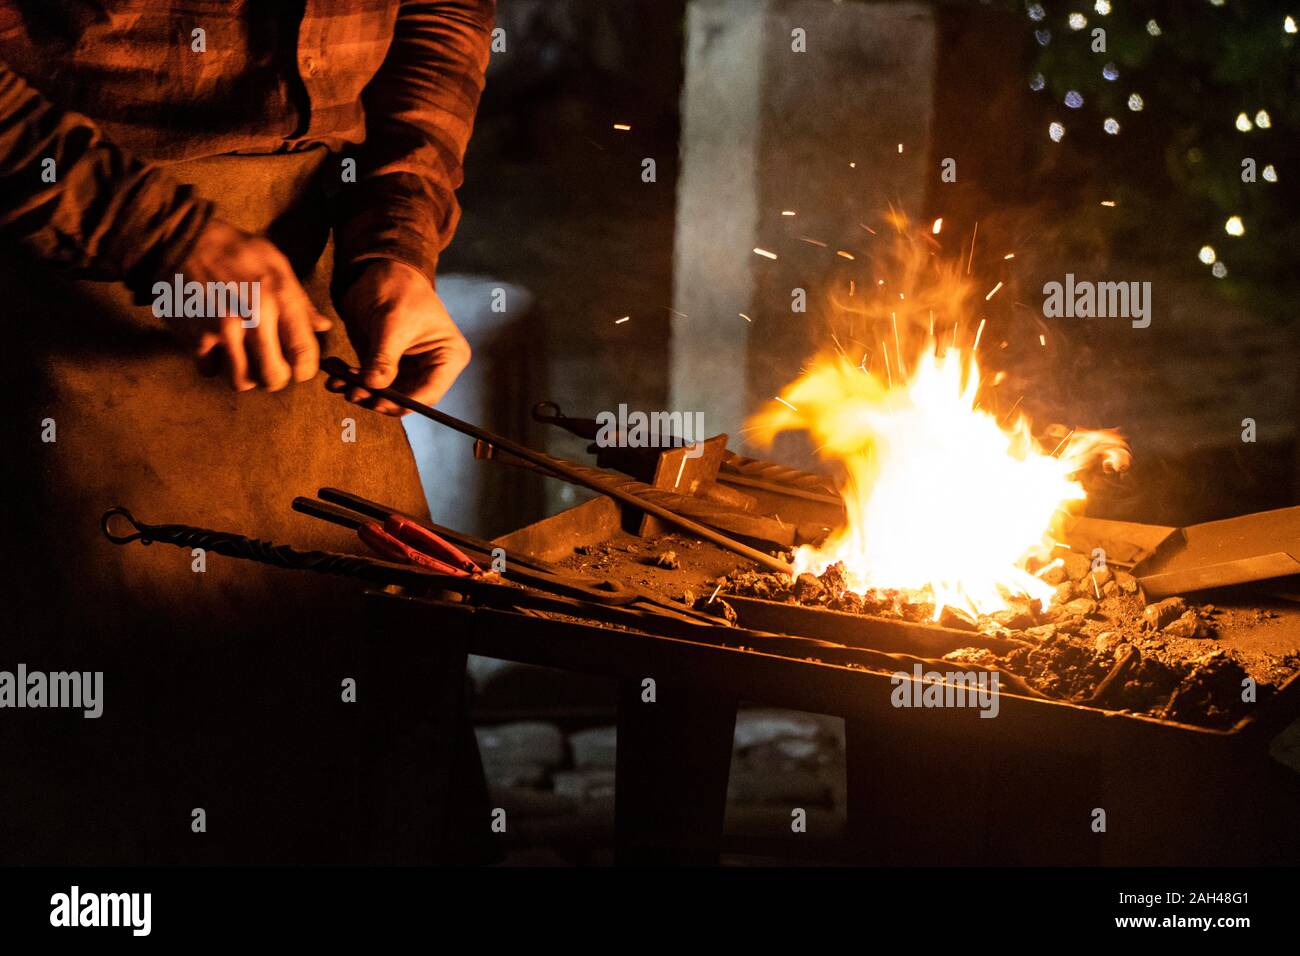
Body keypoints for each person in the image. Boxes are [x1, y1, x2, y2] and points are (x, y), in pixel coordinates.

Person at [0, 0, 495, 863]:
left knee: (375, 717)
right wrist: (155, 231)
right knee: (91, 762)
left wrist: (397, 238)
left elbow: (443, 11)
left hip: (309, 267)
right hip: (49, 268)